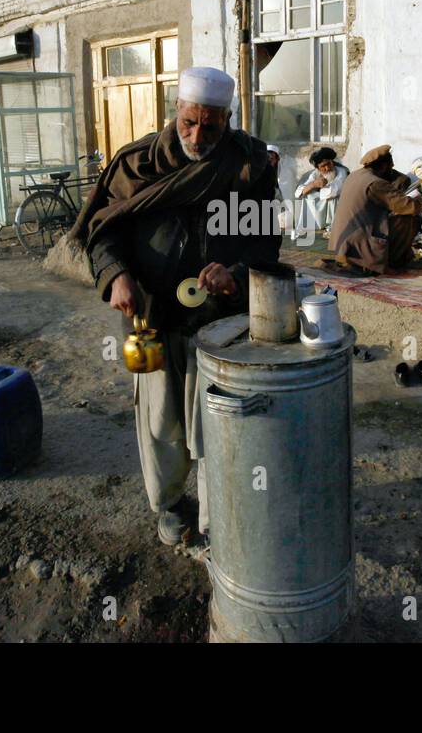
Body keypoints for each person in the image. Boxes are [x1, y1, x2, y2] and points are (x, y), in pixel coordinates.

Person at [70, 66, 280, 546]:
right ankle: (168, 505)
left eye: (210, 126)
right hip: (153, 319)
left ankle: (215, 519)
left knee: (215, 428)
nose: (197, 135)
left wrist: (236, 273)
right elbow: (103, 234)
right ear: (175, 113)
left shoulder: (248, 167)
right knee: (161, 425)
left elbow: (267, 244)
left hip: (219, 324)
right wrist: (114, 275)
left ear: (226, 120)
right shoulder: (135, 165)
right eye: (189, 122)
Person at [328, 144, 422, 275]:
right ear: (383, 166)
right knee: (409, 218)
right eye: (391, 166)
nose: (392, 170)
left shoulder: (354, 175)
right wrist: (418, 198)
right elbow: (409, 207)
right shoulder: (376, 183)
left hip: (342, 244)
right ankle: (390, 262)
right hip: (359, 246)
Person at [292, 147, 348, 237]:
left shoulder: (342, 171)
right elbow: (298, 193)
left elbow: (333, 191)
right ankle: (311, 224)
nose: (327, 168)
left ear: (332, 161)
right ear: (318, 168)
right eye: (323, 166)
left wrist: (317, 189)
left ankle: (332, 226)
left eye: (329, 163)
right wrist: (313, 184)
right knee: (307, 194)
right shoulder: (315, 174)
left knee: (332, 198)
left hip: (340, 207)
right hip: (323, 207)